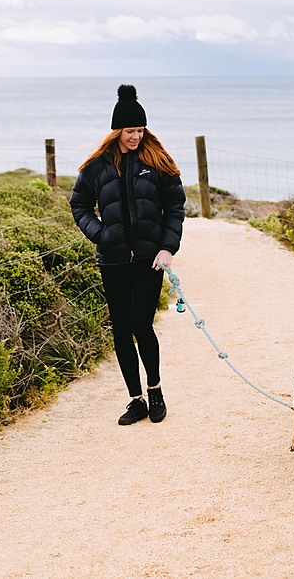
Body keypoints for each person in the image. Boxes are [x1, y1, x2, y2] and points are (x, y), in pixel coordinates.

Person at [70, 84, 186, 425]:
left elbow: (175, 207)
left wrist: (167, 248)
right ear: (117, 130)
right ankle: (135, 400)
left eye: (140, 130)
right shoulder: (96, 166)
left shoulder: (158, 163)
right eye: (129, 130)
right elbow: (79, 205)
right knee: (121, 329)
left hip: (149, 259)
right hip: (113, 259)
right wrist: (100, 235)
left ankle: (155, 390)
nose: (135, 136)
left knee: (141, 325)